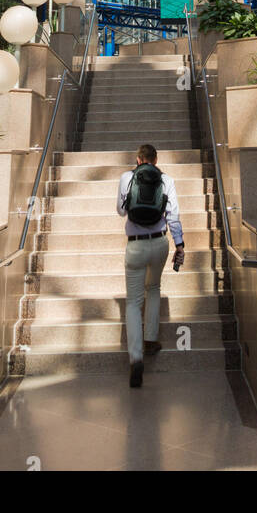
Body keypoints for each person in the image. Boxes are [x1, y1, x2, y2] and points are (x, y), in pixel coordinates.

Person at [116, 143, 185, 387]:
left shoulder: (127, 177)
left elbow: (120, 211)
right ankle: (151, 339)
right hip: (159, 244)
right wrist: (180, 244)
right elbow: (173, 216)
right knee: (153, 288)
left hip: (135, 245)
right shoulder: (166, 180)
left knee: (134, 302)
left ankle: (136, 358)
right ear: (155, 160)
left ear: (138, 159)